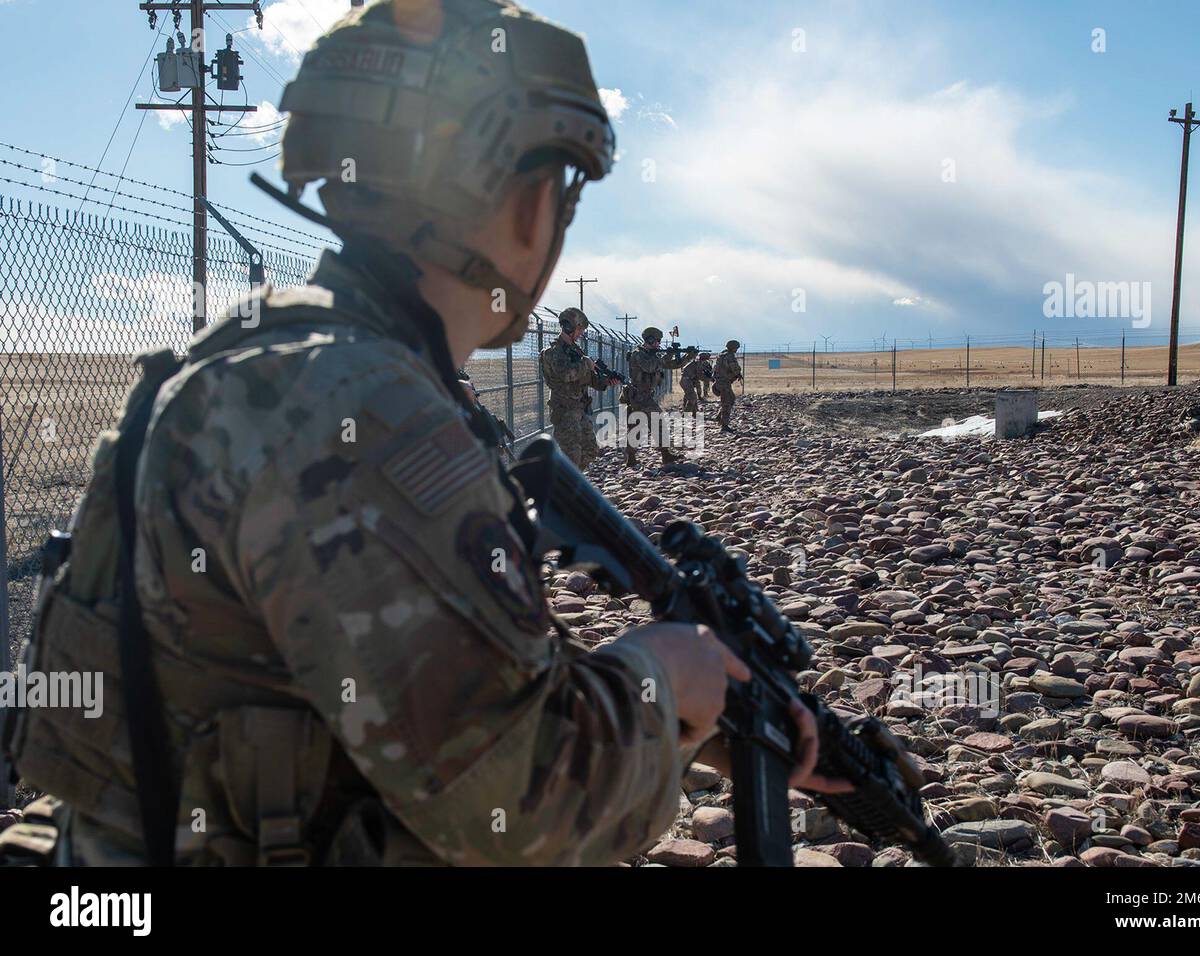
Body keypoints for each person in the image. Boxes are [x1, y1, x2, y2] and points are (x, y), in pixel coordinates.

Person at [10, 0, 838, 867]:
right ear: (525, 204)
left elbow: (397, 684)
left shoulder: (276, 356)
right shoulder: (364, 408)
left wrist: (690, 716)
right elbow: (519, 817)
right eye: (562, 192)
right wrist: (663, 679)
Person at [539, 308, 612, 471]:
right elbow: (566, 374)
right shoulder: (553, 352)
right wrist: (586, 363)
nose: (581, 333)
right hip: (564, 411)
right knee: (571, 455)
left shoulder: (576, 351)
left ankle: (569, 482)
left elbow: (585, 378)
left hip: (579, 409)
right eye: (579, 329)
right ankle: (561, 489)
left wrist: (605, 381)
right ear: (568, 327)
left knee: (590, 450)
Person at [624, 327, 689, 468]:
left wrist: (687, 356)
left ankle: (631, 458)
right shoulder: (638, 354)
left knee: (636, 427)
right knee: (657, 421)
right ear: (650, 340)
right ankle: (665, 455)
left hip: (643, 396)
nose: (659, 343)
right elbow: (650, 367)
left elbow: (670, 365)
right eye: (657, 341)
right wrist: (667, 355)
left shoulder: (651, 354)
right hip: (639, 395)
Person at [716, 339, 743, 433]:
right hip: (724, 382)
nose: (737, 350)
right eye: (736, 348)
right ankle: (724, 425)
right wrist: (738, 374)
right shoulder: (730, 356)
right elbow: (734, 368)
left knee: (731, 399)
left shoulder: (722, 354)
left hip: (720, 381)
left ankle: (719, 416)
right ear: (733, 347)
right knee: (727, 402)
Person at [677, 346, 702, 413]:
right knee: (692, 397)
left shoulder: (694, 361)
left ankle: (695, 412)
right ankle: (686, 413)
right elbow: (699, 374)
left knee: (691, 395)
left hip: (687, 380)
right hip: (686, 380)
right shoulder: (695, 363)